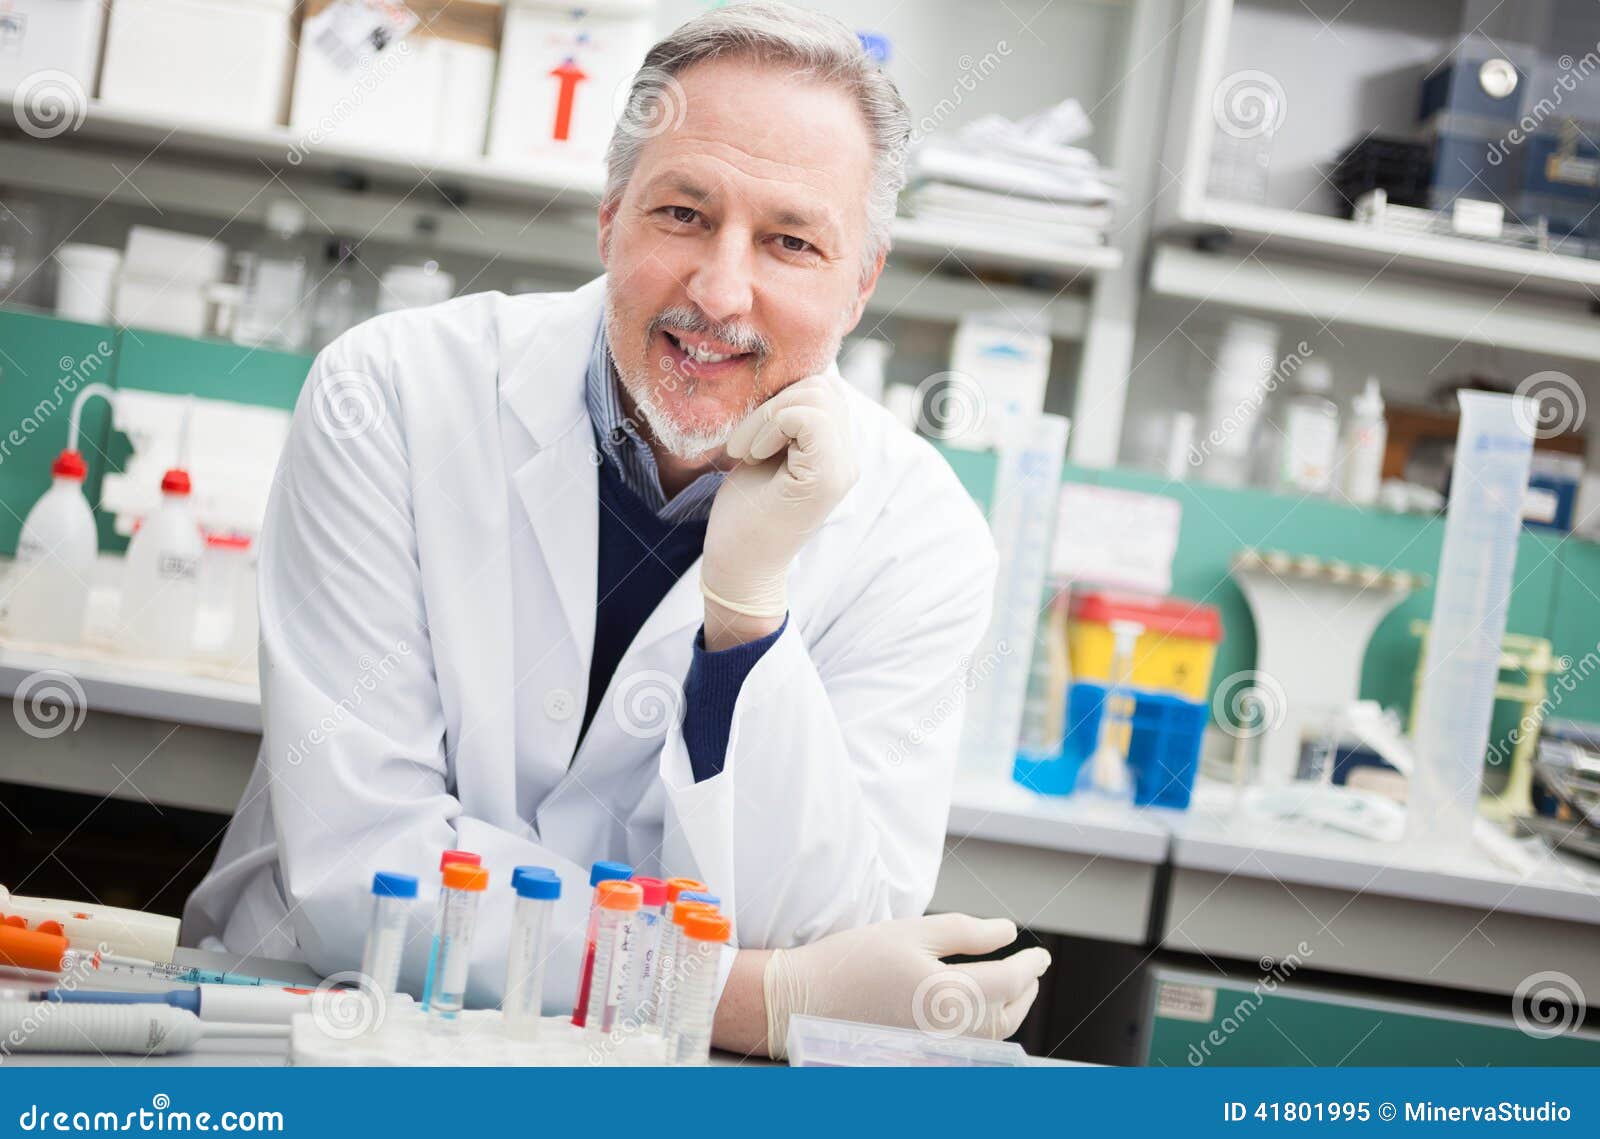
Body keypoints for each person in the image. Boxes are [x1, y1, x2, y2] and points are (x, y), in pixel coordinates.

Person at [184, 1, 1048, 1056]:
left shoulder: (923, 536)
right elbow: (361, 875)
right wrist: (750, 998)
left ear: (860, 282)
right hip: (314, 1031)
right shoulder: (391, 396)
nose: (720, 291)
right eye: (683, 213)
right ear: (609, 219)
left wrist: (748, 611)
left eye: (790, 241)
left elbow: (818, 934)